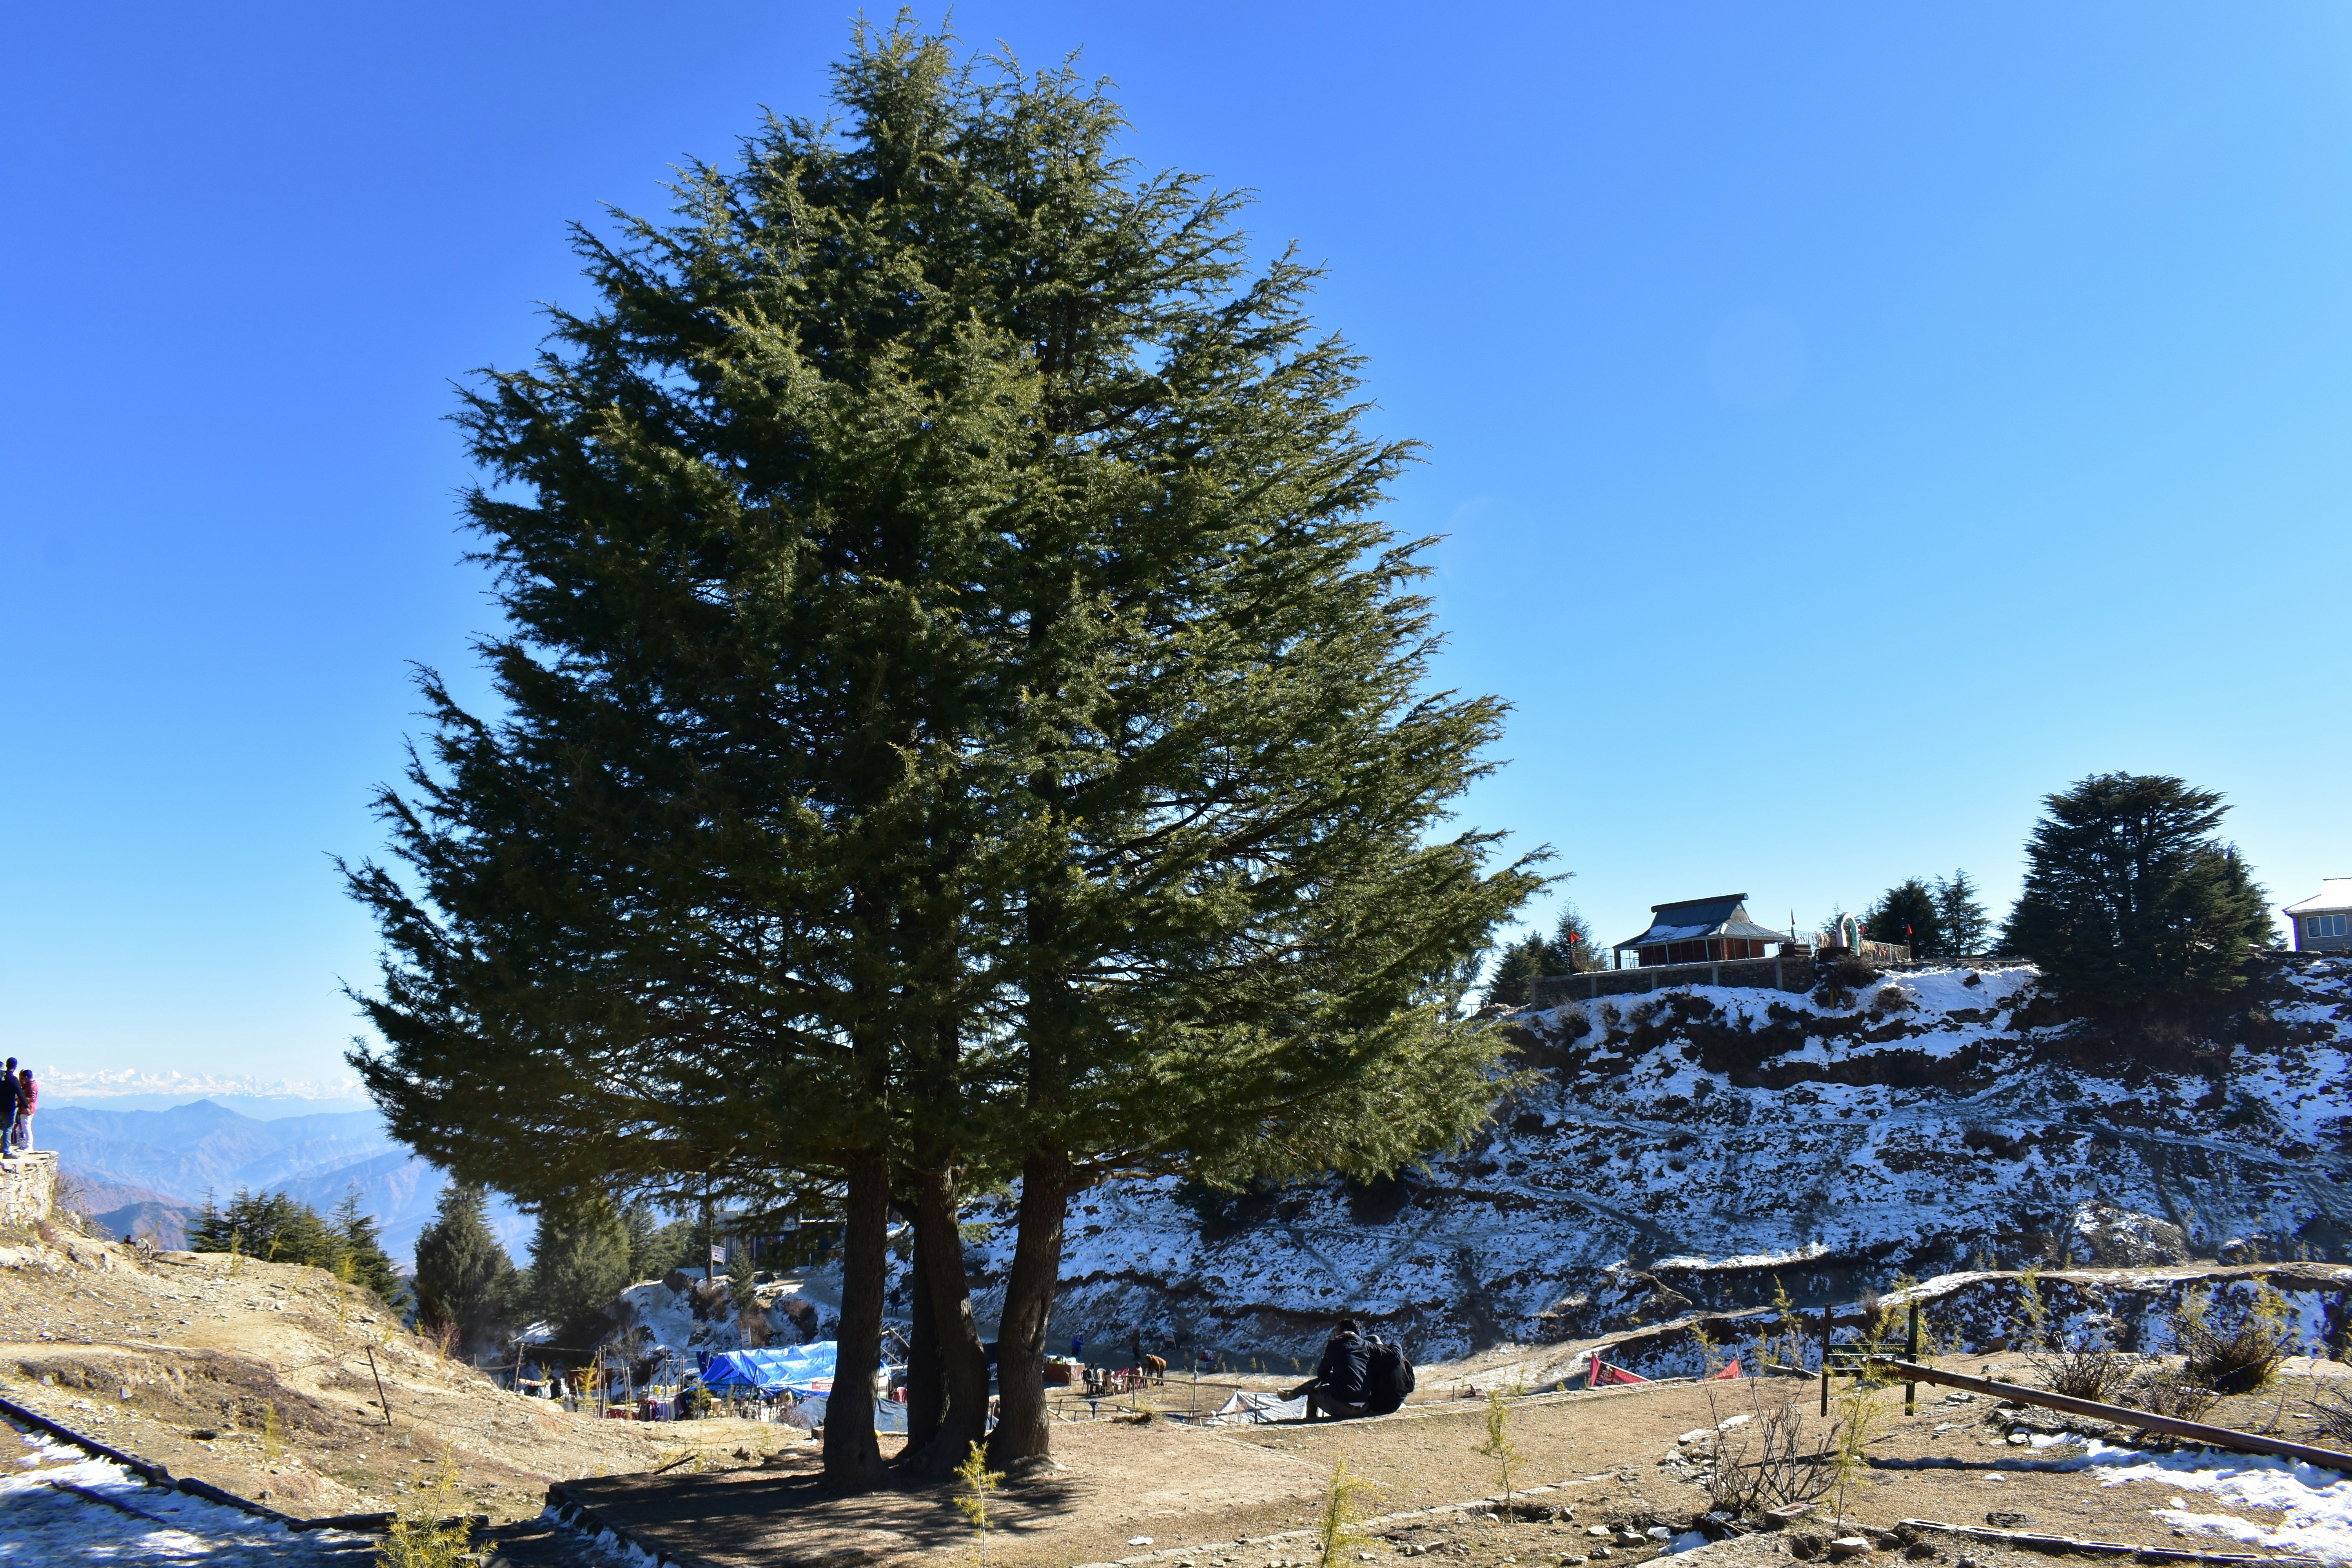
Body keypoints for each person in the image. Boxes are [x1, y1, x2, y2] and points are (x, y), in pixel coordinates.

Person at [1300, 1317, 1369, 1421]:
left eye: (1337, 1330)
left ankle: (1311, 1421)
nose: (1335, 1333)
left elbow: (1322, 1373)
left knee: (1313, 1393)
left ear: (1345, 1331)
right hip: (1365, 1406)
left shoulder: (1335, 1345)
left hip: (1344, 1407)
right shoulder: (1366, 1346)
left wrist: (1333, 1376)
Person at [11, 1069, 33, 1154]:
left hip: (27, 1109)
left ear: (26, 1077)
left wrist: (19, 1099)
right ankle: (22, 1144)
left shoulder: (31, 1086)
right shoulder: (26, 1086)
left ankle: (28, 1145)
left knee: (26, 1127)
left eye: (22, 1078)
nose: (21, 1080)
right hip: (23, 1109)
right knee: (22, 1128)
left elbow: (32, 1098)